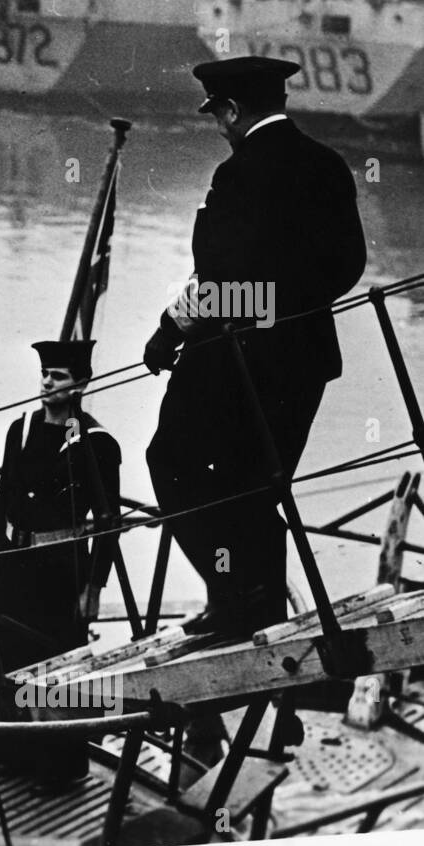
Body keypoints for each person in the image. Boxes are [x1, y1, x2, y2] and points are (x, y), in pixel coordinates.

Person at [143, 57, 366, 639]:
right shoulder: (330, 165)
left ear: (234, 110)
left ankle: (233, 599)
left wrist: (168, 333)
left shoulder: (238, 175)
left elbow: (217, 284)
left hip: (237, 362)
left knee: (173, 464)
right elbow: (348, 268)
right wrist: (288, 306)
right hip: (308, 360)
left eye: (219, 114)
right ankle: (259, 606)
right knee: (258, 487)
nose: (220, 126)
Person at [0, 340, 121, 673]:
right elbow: (3, 498)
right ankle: (8, 721)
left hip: (61, 573)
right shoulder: (21, 430)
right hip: (13, 568)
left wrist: (93, 589)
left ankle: (52, 726)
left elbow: (110, 522)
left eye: (57, 376)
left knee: (57, 667)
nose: (46, 382)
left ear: (81, 384)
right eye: (44, 374)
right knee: (3, 663)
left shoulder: (96, 442)